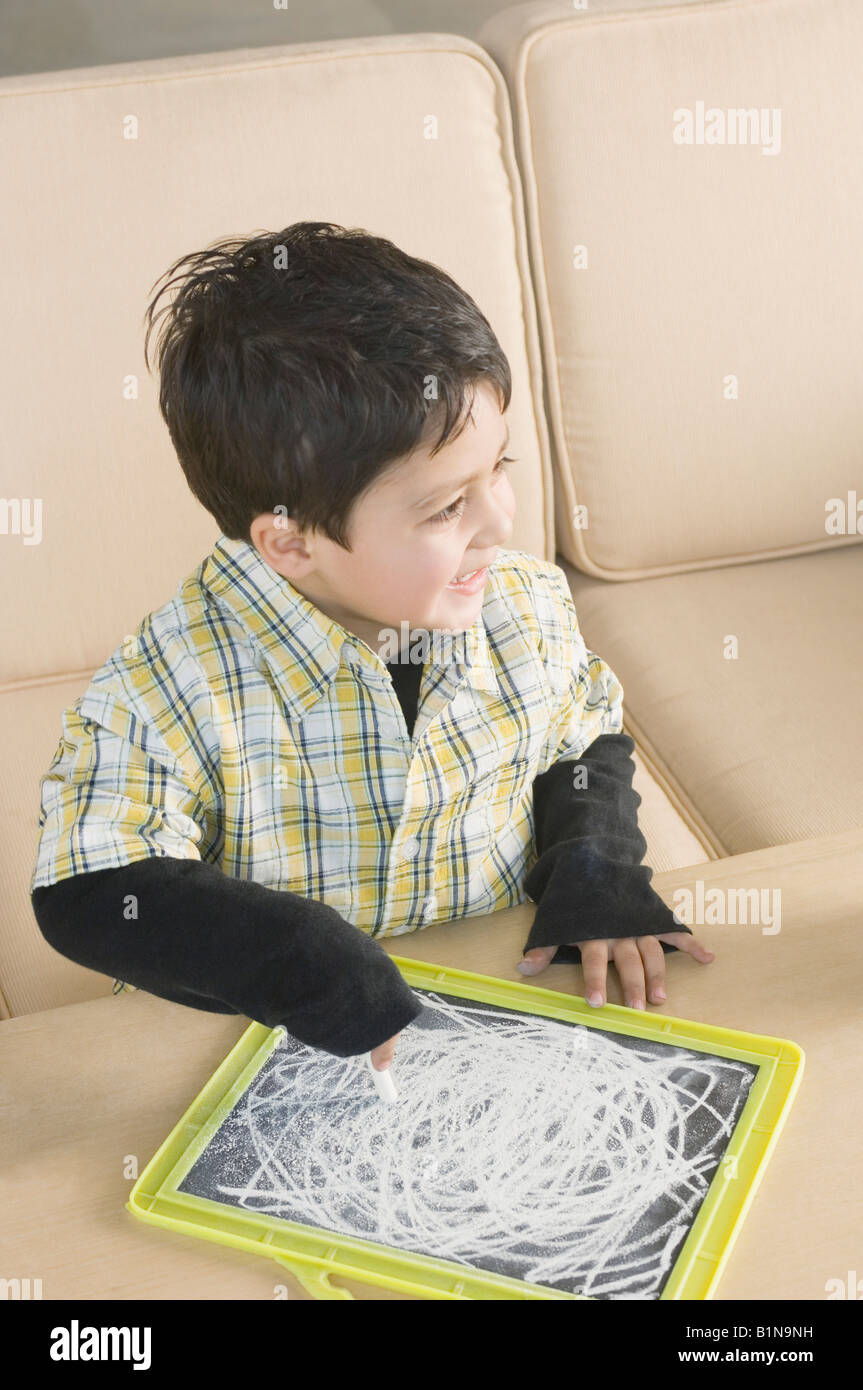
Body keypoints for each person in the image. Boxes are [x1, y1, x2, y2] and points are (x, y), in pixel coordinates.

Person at [30, 222, 713, 1072]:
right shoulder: (170, 680)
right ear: (289, 544)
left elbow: (583, 741)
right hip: (260, 1046)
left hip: (491, 1008)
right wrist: (291, 956)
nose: (500, 522)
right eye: (443, 509)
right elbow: (89, 888)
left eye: (498, 468)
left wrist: (591, 864)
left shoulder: (524, 603)